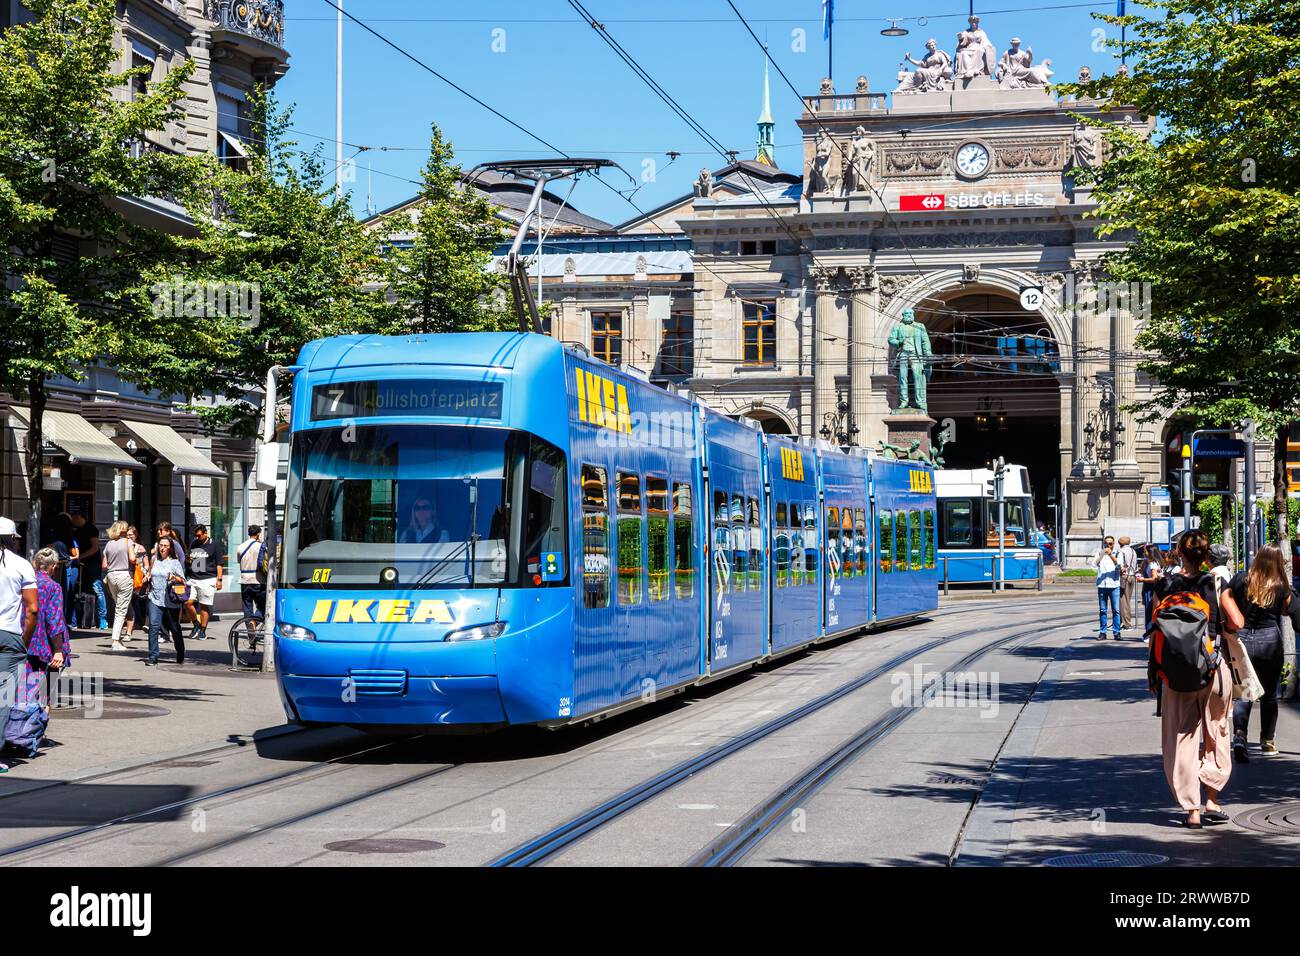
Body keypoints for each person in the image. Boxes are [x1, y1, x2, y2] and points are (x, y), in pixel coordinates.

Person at [1149, 530, 1245, 828]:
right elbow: (1237, 622)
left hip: (1175, 673)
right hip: (1214, 669)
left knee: (1182, 738)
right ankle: (1213, 801)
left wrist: (1153, 672)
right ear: (1207, 555)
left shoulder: (1165, 585)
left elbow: (1155, 632)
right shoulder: (1215, 582)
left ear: (1179, 552)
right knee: (1215, 734)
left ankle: (1191, 810)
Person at [1228, 544, 1300, 763]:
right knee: (1268, 695)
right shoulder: (1281, 586)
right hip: (1269, 639)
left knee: (1245, 691)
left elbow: (1226, 599)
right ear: (1277, 562)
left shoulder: (1241, 580)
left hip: (1243, 640)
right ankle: (1267, 742)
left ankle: (1240, 736)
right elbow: (1294, 613)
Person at [0, 518, 38, 773]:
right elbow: (32, 609)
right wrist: (23, 641)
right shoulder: (21, 564)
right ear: (12, 538)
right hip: (8, 636)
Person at [28, 548, 70, 743]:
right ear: (53, 567)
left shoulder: (25, 583)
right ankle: (38, 730)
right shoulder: (53, 587)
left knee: (24, 688)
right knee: (47, 690)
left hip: (25, 642)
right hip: (47, 646)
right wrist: (59, 650)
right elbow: (54, 620)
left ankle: (21, 728)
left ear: (36, 564)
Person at [146, 537, 186, 667]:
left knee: (174, 628)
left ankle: (180, 652)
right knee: (153, 627)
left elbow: (183, 581)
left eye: (165, 546)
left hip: (170, 600)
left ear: (170, 548)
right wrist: (147, 576)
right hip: (155, 598)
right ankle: (153, 656)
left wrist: (173, 577)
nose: (162, 548)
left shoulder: (174, 562)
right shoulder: (154, 560)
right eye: (160, 545)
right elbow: (151, 574)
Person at [69, 510, 108, 629]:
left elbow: (95, 548)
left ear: (79, 517)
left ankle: (102, 619)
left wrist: (80, 557)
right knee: (84, 591)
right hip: (82, 564)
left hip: (92, 564)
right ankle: (86, 619)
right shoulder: (77, 531)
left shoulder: (91, 528)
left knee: (97, 589)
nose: (72, 521)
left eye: (73, 518)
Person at [101, 521, 135, 651]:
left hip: (111, 576)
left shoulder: (109, 544)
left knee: (119, 608)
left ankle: (117, 639)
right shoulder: (128, 542)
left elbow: (104, 565)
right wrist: (136, 560)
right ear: (122, 530)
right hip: (124, 575)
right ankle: (115, 641)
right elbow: (132, 559)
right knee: (121, 610)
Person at [185, 525, 222, 641]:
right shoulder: (194, 543)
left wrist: (219, 580)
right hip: (193, 578)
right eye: (195, 535)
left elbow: (219, 563)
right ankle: (196, 624)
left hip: (208, 578)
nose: (197, 537)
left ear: (205, 533)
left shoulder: (214, 545)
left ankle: (203, 630)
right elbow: (189, 558)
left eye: (199, 535)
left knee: (204, 606)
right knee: (187, 602)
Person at [1091, 535, 1122, 640]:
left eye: (1110, 544)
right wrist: (1102, 555)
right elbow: (1094, 565)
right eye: (1106, 543)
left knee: (1116, 610)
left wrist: (1110, 555)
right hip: (1102, 585)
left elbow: (1119, 565)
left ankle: (1117, 632)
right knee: (1103, 610)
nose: (1108, 545)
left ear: (1114, 544)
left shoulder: (1118, 553)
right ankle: (1103, 632)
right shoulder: (1099, 553)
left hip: (1114, 585)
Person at [236, 525, 267, 622]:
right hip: (258, 580)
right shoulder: (261, 546)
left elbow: (238, 561)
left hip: (244, 580)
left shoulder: (240, 546)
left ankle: (250, 630)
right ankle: (255, 621)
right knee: (264, 606)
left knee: (247, 606)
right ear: (258, 534)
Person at [124, 526, 149, 639]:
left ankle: (135, 623)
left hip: (138, 577)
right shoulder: (124, 546)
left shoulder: (140, 548)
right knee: (130, 600)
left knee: (134, 600)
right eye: (127, 535)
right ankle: (133, 623)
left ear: (136, 535)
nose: (129, 537)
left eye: (131, 535)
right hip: (127, 576)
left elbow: (146, 563)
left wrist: (147, 575)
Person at [1136, 544, 1164, 635]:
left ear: (1150, 552)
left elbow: (1154, 578)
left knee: (1150, 611)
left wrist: (1142, 579)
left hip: (1151, 589)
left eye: (1146, 551)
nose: (1144, 552)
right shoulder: (1151, 562)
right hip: (1151, 588)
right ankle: (1151, 632)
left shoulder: (1153, 564)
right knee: (1151, 611)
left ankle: (1150, 633)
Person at [1118, 535, 1138, 631]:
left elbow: (1120, 565)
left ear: (1120, 543)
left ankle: (1127, 624)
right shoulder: (1133, 551)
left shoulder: (1121, 551)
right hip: (1132, 576)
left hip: (1124, 577)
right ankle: (1123, 622)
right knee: (1127, 600)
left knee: (1123, 601)